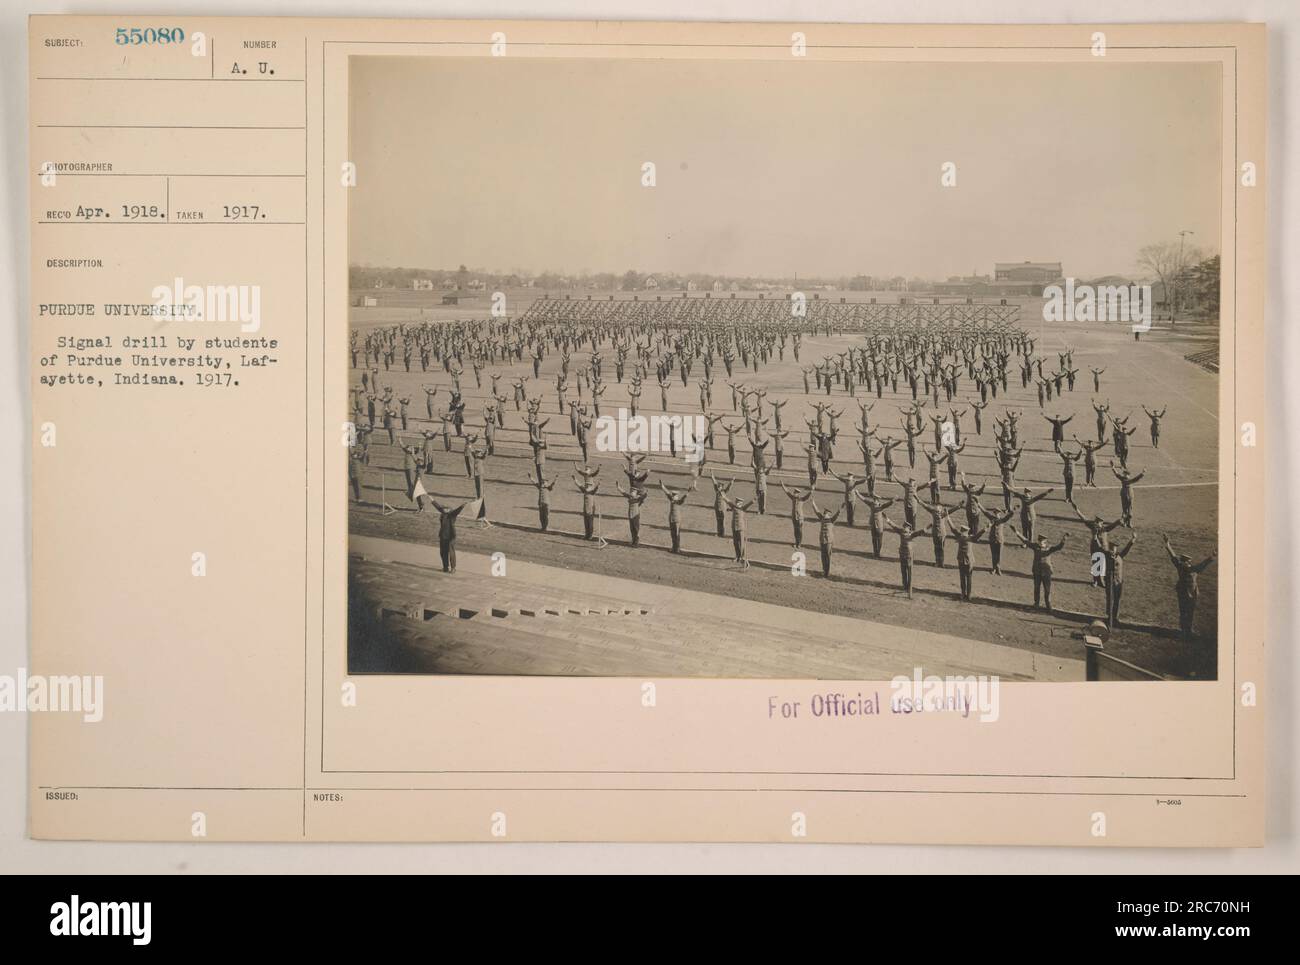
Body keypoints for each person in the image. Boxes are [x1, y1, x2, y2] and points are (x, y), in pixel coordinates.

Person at [1164, 535, 1216, 641]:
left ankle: (1187, 630)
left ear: (1188, 562)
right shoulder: (1189, 568)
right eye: (1185, 562)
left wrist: (1212, 557)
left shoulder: (1188, 568)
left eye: (1186, 562)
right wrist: (1168, 544)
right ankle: (1184, 630)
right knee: (1184, 612)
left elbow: (1204, 563)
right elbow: (1173, 557)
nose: (1186, 563)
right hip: (1185, 594)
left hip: (1190, 594)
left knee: (1188, 612)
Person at [1008, 528, 1068, 611]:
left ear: (1045, 542)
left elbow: (1059, 547)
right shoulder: (1035, 546)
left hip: (1046, 573)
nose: (1040, 543)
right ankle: (1036, 604)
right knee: (1036, 588)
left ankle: (1048, 606)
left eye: (1042, 542)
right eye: (1039, 542)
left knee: (1047, 590)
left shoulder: (1049, 548)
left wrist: (1063, 539)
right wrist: (1017, 532)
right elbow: (1026, 541)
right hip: (1037, 572)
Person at [882, 515, 932, 599]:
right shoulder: (901, 532)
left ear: (909, 529)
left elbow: (920, 532)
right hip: (902, 555)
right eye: (904, 526)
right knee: (903, 572)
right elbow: (894, 526)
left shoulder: (912, 534)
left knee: (910, 573)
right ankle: (904, 586)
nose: (904, 528)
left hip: (909, 556)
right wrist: (887, 519)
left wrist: (928, 527)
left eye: (906, 527)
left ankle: (910, 591)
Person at [1102, 532, 1137, 630]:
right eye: (1112, 548)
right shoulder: (1107, 556)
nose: (1113, 550)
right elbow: (1101, 547)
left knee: (1117, 600)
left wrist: (1132, 540)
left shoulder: (1120, 556)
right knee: (1110, 600)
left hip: (1119, 582)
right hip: (1110, 582)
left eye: (1115, 548)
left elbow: (1127, 549)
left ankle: (1115, 617)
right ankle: (1109, 618)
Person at [431, 498, 472, 573]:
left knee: (451, 552)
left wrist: (463, 505)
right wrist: (431, 499)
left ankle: (453, 568)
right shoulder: (443, 513)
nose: (445, 510)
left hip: (451, 537)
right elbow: (437, 506)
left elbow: (457, 511)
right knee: (443, 552)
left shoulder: (452, 515)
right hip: (443, 536)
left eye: (447, 509)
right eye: (445, 509)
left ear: (450, 509)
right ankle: (445, 568)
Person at [659, 479, 695, 553]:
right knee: (673, 534)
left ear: (677, 496)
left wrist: (688, 491)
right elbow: (666, 492)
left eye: (674, 495)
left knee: (677, 534)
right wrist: (662, 486)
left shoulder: (679, 501)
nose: (673, 496)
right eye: (673, 495)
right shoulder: (672, 500)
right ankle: (674, 547)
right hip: (671, 519)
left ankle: (677, 548)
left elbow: (684, 497)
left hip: (677, 520)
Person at [808, 499, 841, 578]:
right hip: (822, 540)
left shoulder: (832, 520)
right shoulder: (822, 518)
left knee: (828, 556)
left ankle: (827, 572)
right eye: (824, 513)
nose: (824, 514)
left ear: (829, 515)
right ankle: (824, 570)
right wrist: (813, 503)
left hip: (829, 541)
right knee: (823, 556)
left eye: (826, 513)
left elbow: (837, 514)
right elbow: (816, 511)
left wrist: (840, 509)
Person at [779, 481, 813, 548]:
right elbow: (787, 491)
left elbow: (808, 496)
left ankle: (799, 543)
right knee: (795, 530)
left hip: (800, 518)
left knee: (799, 531)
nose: (794, 494)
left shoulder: (802, 499)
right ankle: (796, 542)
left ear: (798, 494)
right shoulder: (793, 498)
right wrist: (782, 484)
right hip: (794, 517)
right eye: (794, 493)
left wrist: (811, 490)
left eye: (795, 493)